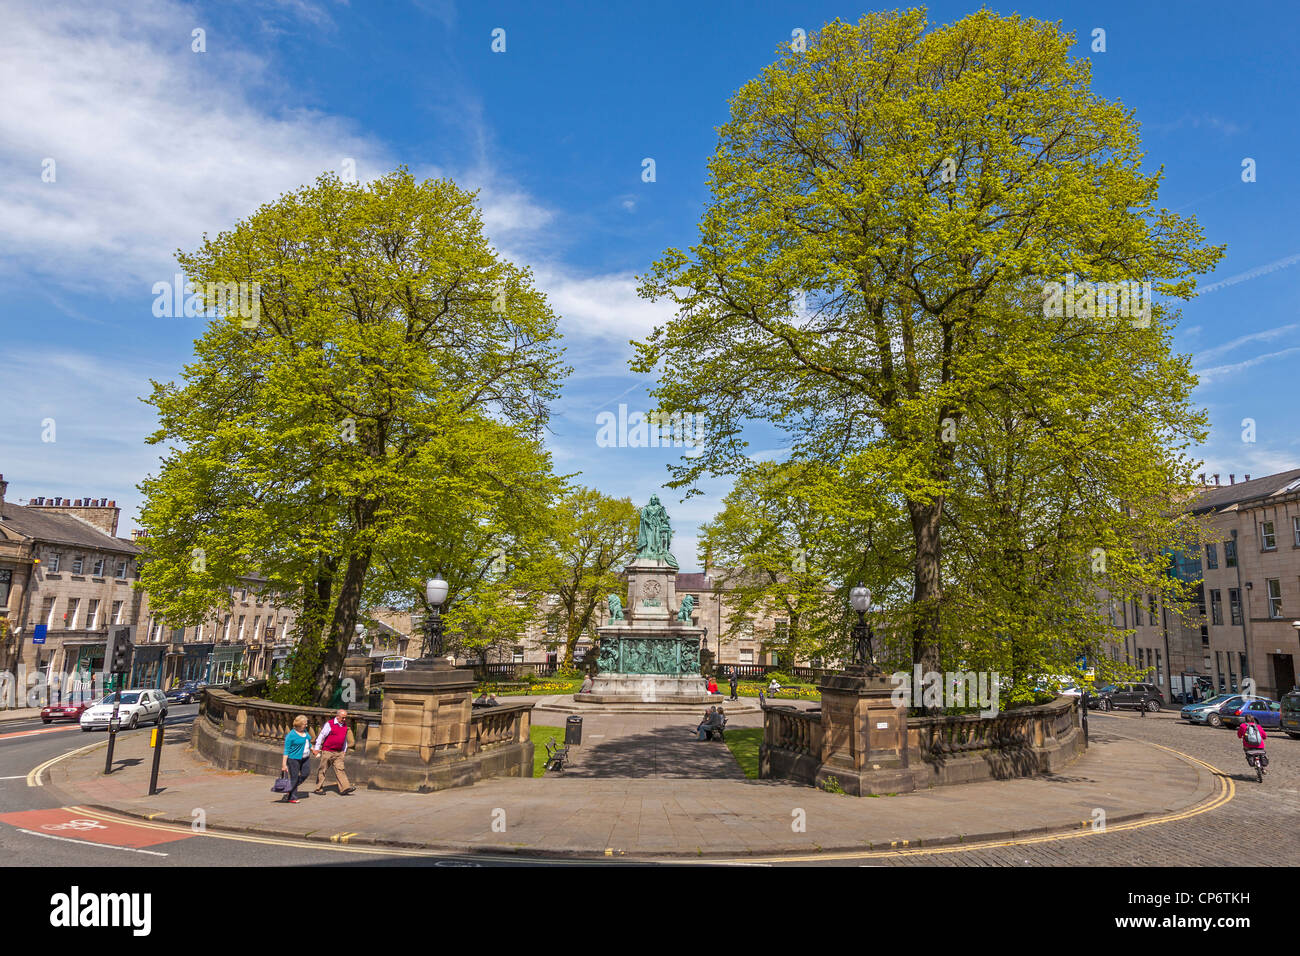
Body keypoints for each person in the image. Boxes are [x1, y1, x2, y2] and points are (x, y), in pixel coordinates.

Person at [313, 708, 356, 795]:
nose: (344, 719)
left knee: (340, 769)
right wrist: (317, 748)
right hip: (328, 751)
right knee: (323, 769)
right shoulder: (330, 724)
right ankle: (318, 788)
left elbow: (344, 740)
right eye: (342, 718)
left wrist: (344, 750)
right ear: (337, 716)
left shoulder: (344, 726)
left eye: (345, 718)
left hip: (339, 752)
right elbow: (322, 736)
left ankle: (344, 788)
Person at [280, 715, 313, 804]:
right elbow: (286, 750)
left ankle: (290, 787)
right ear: (299, 725)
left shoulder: (305, 731)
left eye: (306, 724)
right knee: (294, 777)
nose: (306, 726)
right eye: (305, 724)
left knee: (306, 773)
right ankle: (292, 797)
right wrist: (284, 765)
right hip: (293, 759)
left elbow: (307, 742)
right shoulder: (291, 735)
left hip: (305, 758)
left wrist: (312, 749)